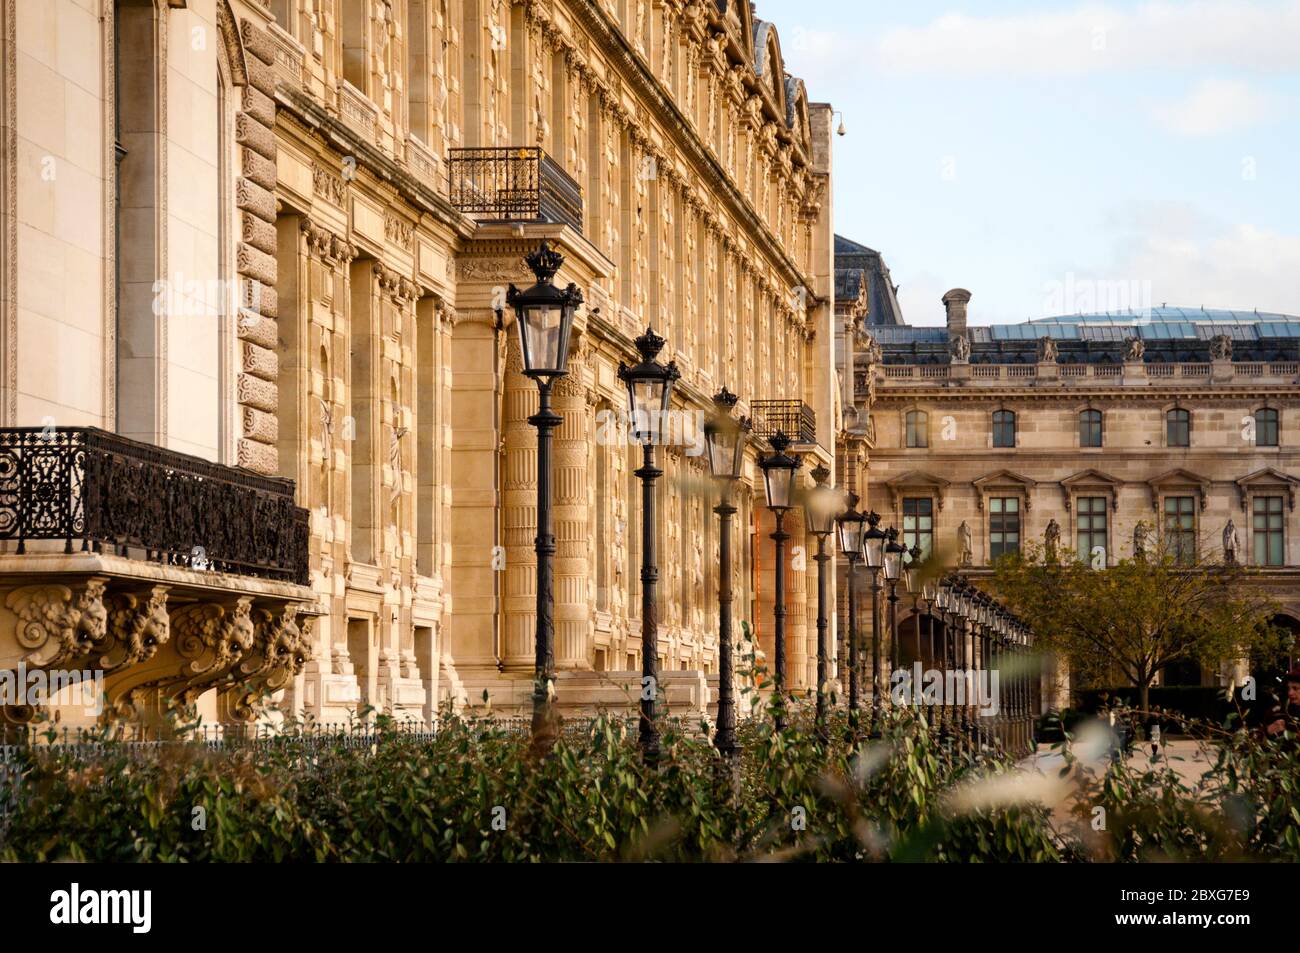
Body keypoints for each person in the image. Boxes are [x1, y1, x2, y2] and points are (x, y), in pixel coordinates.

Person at [1260, 667, 1300, 740]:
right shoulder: (1281, 712)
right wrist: (1268, 731)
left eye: (1295, 688)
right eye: (1289, 688)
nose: (1290, 693)